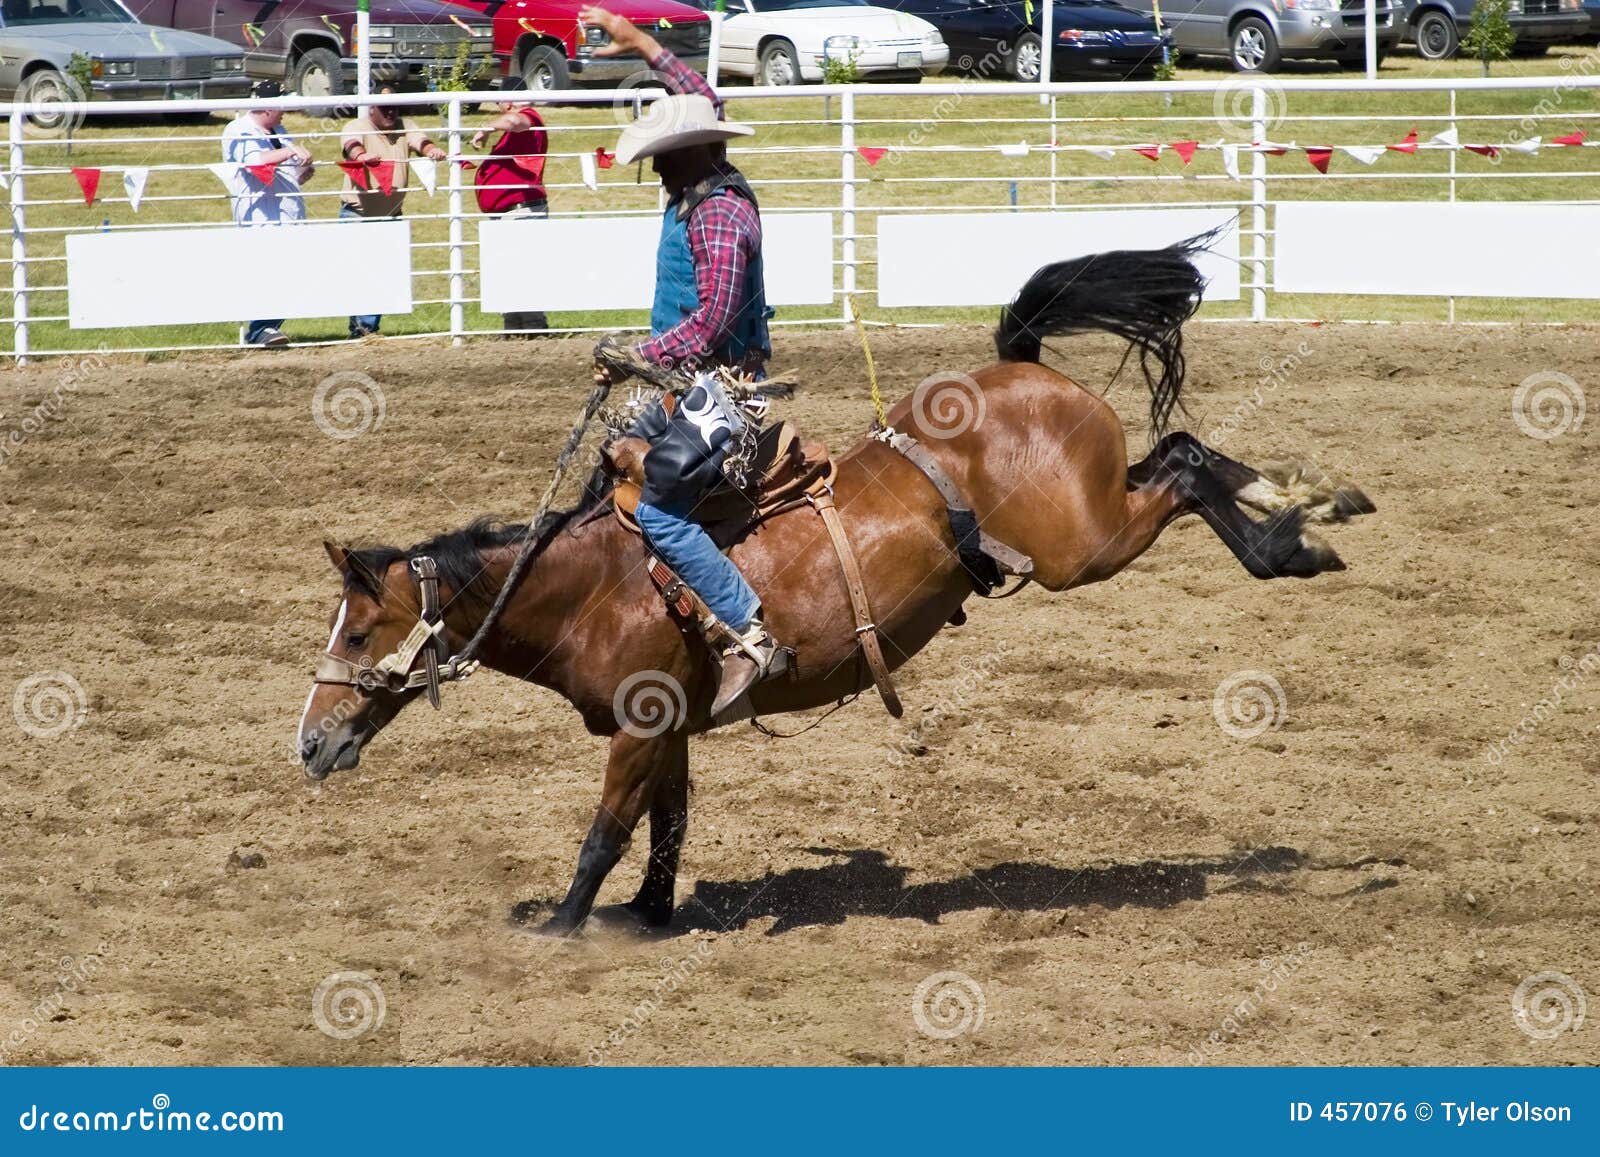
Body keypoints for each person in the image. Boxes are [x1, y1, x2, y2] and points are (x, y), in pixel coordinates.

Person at [581, 5, 778, 716]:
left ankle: (750, 629)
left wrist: (638, 356)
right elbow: (701, 96)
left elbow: (714, 320)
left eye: (664, 152)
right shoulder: (703, 177)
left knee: (660, 507)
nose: (656, 164)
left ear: (692, 152)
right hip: (688, 378)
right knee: (611, 464)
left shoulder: (721, 215)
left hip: (728, 387)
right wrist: (638, 42)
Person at [339, 88, 448, 338]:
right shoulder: (357, 125)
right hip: (357, 213)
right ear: (371, 109)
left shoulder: (405, 125)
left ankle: (367, 329)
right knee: (356, 274)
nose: (390, 113)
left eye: (394, 108)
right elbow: (351, 145)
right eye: (385, 108)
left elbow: (420, 141)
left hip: (390, 214)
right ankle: (360, 329)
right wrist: (363, 156)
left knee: (382, 274)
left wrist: (430, 150)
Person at [222, 80, 314, 348]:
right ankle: (261, 329)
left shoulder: (279, 130)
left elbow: (281, 171)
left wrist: (302, 173)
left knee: (290, 274)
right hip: (260, 216)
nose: (284, 110)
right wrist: (290, 151)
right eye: (281, 104)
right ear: (267, 107)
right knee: (269, 273)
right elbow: (255, 162)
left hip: (286, 215)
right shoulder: (238, 129)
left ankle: (266, 328)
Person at [472, 77, 551, 337]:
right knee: (509, 272)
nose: (498, 105)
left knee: (523, 270)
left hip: (521, 210)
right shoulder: (515, 128)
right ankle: (515, 329)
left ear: (507, 101)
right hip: (510, 211)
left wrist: (486, 128)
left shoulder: (528, 116)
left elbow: (515, 121)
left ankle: (533, 329)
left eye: (499, 100)